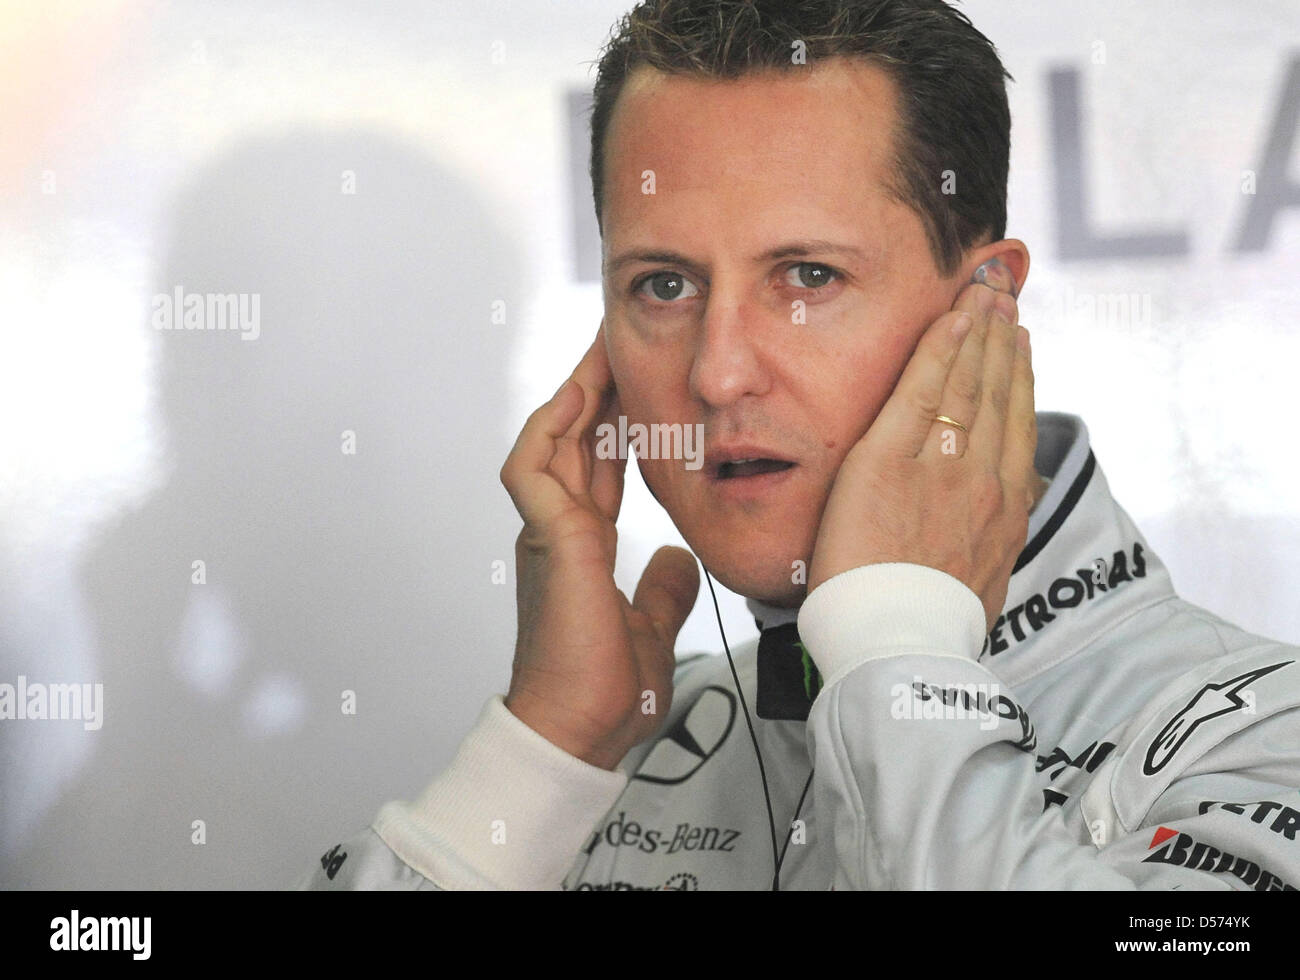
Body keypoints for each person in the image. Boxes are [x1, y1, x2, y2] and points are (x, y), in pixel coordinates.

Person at [300, 0, 1300, 890]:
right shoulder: (623, 756)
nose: (718, 371)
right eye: (663, 284)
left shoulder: (1262, 733)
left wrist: (897, 647)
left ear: (985, 302)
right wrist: (546, 747)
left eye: (808, 276)